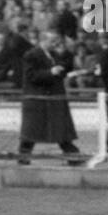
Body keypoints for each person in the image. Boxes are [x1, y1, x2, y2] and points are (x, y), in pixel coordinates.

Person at [17, 28, 83, 165]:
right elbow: (31, 76)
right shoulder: (31, 55)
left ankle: (72, 155)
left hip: (53, 98)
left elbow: (62, 68)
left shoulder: (53, 54)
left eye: (56, 41)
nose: (55, 44)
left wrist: (62, 70)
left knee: (59, 129)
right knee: (32, 131)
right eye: (52, 41)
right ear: (43, 40)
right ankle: (23, 156)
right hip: (37, 100)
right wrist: (51, 72)